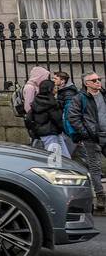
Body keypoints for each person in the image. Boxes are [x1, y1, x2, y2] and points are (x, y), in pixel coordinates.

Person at [67, 72, 104, 212]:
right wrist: (85, 133)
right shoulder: (79, 98)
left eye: (99, 79)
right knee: (95, 167)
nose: (98, 82)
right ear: (86, 83)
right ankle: (100, 196)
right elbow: (73, 117)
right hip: (92, 137)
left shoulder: (104, 94)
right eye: (94, 80)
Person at [31, 76, 70, 158]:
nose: (56, 89)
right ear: (50, 89)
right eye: (55, 88)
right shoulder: (51, 102)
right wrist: (67, 131)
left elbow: (29, 118)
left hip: (43, 133)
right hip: (52, 132)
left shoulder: (36, 100)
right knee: (55, 160)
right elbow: (58, 119)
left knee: (62, 158)